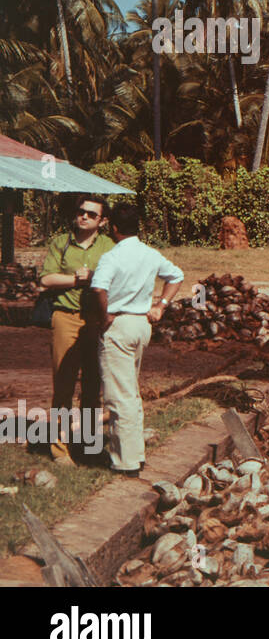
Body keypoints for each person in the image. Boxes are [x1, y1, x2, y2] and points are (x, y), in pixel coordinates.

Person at [88, 203, 184, 476]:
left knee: (120, 395)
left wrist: (105, 314)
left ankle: (126, 461)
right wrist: (161, 305)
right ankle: (136, 452)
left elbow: (98, 288)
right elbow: (176, 276)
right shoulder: (149, 254)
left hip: (118, 323)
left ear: (114, 228)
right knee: (130, 388)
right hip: (141, 324)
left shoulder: (111, 257)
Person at [38, 194, 115, 465]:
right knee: (63, 385)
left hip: (96, 320)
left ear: (102, 221)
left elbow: (116, 277)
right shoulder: (61, 242)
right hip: (65, 318)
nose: (84, 216)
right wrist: (75, 279)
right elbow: (46, 277)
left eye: (91, 214)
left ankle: (90, 446)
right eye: (82, 211)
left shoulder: (108, 246)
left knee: (94, 386)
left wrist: (95, 278)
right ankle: (59, 449)